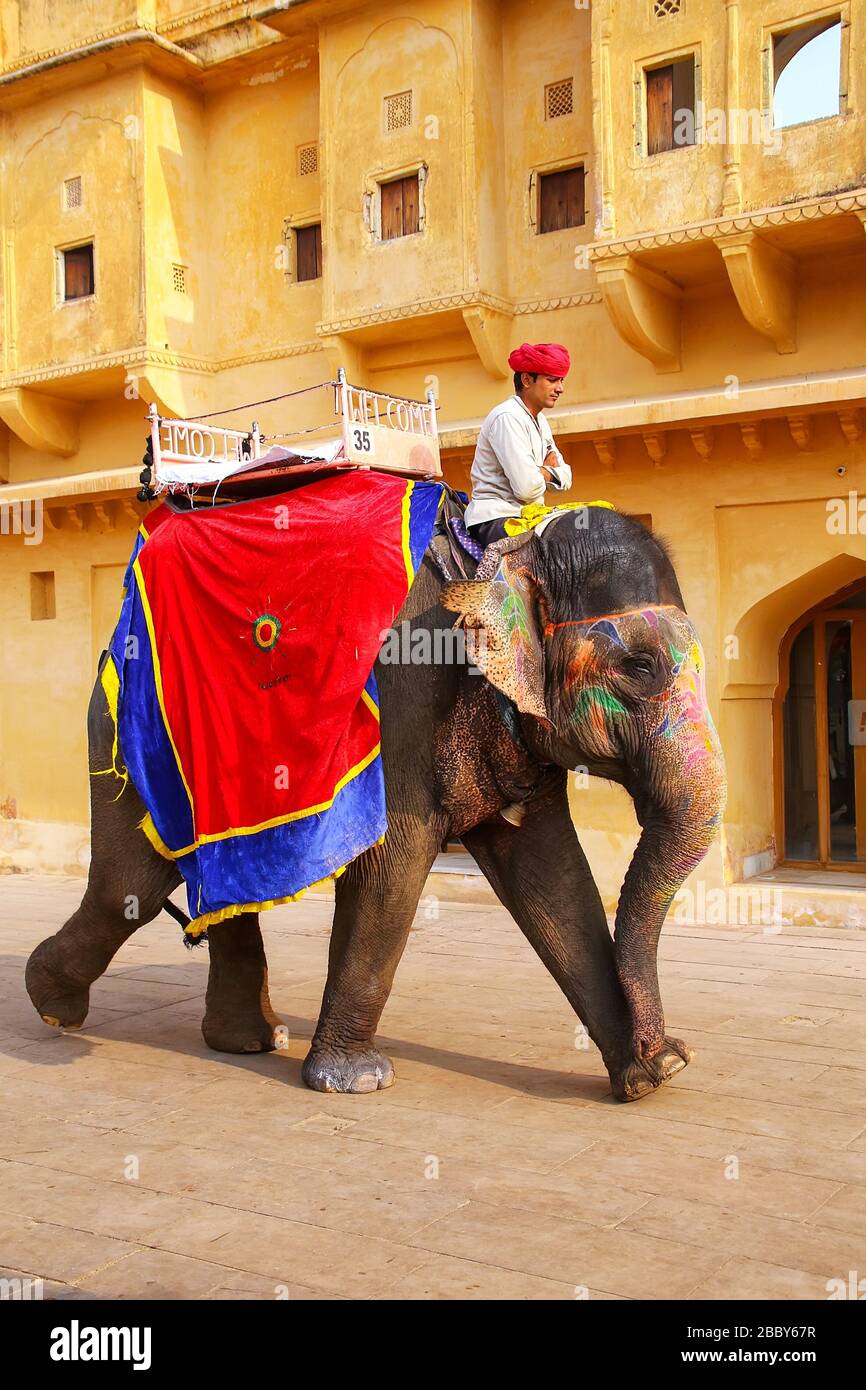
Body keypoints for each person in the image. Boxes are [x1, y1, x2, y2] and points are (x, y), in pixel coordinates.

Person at [464, 342, 573, 548]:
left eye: (561, 380)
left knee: (588, 524)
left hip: (531, 515)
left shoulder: (540, 421)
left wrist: (541, 472)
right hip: (496, 518)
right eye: (552, 380)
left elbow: (567, 479)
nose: (560, 388)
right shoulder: (507, 418)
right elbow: (526, 489)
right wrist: (549, 472)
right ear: (526, 379)